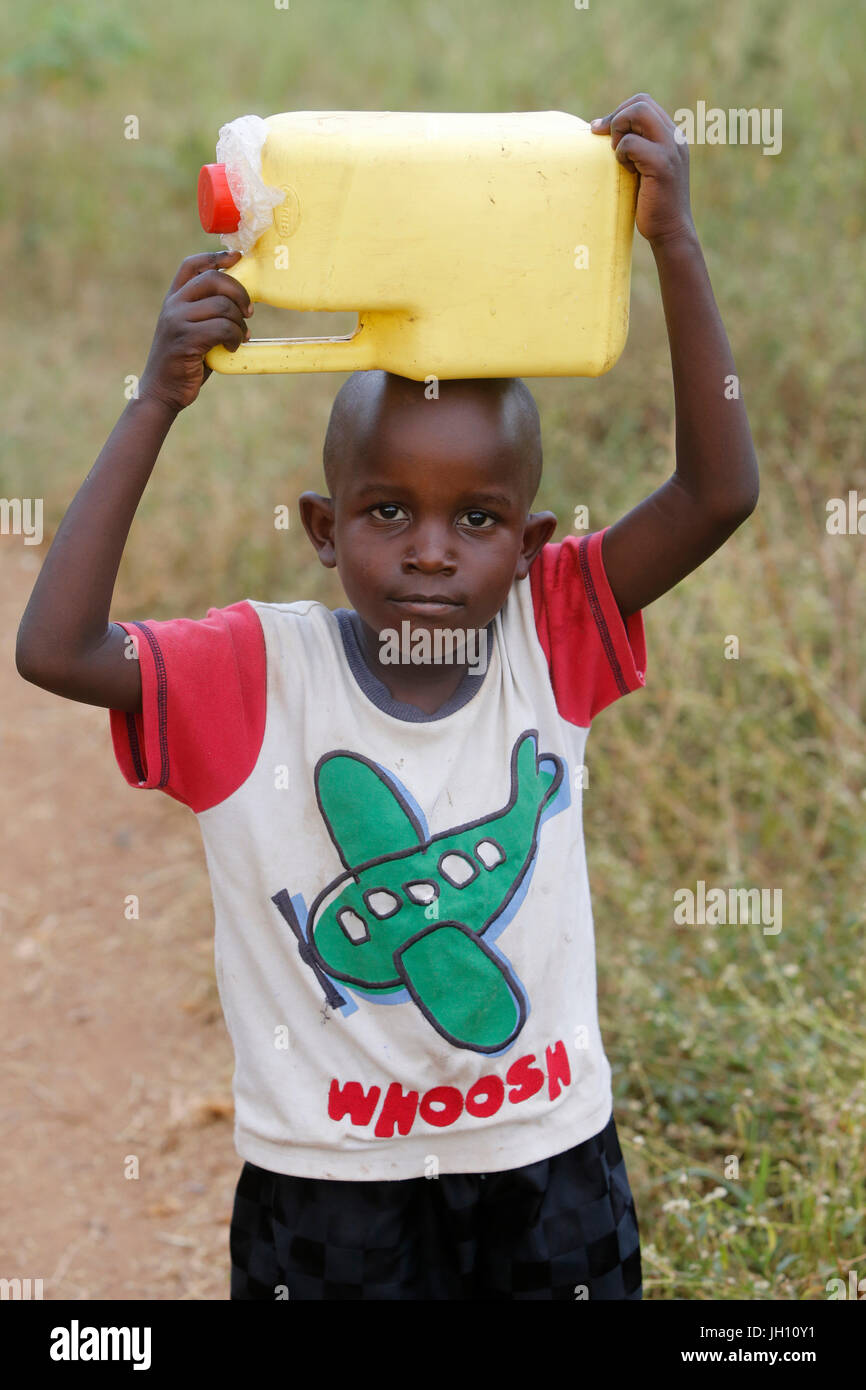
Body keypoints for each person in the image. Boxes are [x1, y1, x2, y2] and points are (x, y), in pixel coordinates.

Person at [16, 93, 758, 1300]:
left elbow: (716, 494)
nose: (427, 549)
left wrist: (672, 240)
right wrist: (156, 396)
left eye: (474, 519)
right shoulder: (254, 675)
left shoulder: (549, 634)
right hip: (327, 1189)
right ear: (322, 527)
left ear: (529, 544)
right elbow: (54, 648)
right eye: (384, 511)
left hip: (544, 1161)